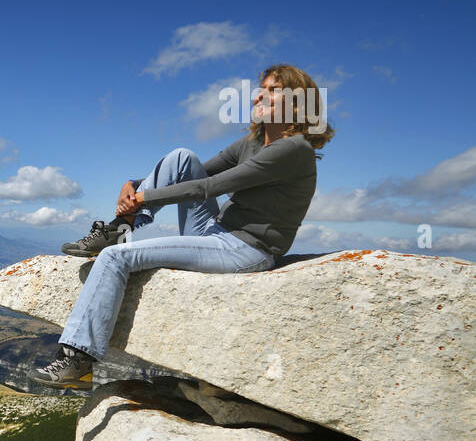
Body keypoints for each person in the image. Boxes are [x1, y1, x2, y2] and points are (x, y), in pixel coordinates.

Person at [37, 63, 335, 391]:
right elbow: (195, 173)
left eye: (273, 90)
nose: (258, 96)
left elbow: (206, 189)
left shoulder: (293, 150)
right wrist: (133, 184)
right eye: (259, 89)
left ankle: (79, 361)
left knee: (114, 259)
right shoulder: (250, 143)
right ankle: (121, 227)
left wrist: (142, 197)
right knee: (181, 156)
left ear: (298, 104)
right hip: (214, 232)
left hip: (245, 250)